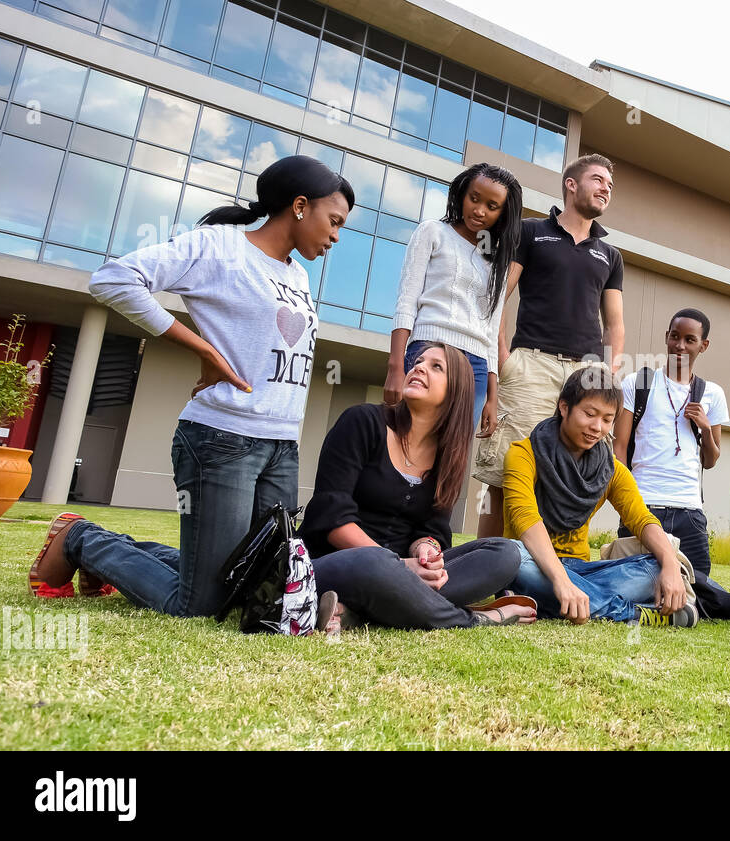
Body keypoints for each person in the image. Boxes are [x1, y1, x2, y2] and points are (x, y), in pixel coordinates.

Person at [28, 156, 354, 622]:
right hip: (222, 440)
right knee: (200, 604)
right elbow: (114, 280)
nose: (335, 237)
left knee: (249, 581)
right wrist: (202, 348)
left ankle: (106, 548)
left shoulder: (297, 275)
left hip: (282, 444)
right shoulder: (219, 247)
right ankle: (81, 539)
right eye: (334, 222)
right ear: (300, 206)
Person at [301, 343, 535, 631]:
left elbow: (432, 530)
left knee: (505, 553)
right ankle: (474, 619)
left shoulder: (447, 458)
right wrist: (397, 566)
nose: (419, 367)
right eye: (419, 361)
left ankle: (358, 610)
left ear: (455, 392)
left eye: (436, 367)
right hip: (339, 562)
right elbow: (331, 519)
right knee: (374, 565)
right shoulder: (361, 422)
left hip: (405, 571)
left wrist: (426, 552)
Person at [473, 154, 625, 538]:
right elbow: (498, 296)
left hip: (586, 373)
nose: (606, 187)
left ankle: (556, 570)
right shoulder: (529, 232)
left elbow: (615, 323)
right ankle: (484, 574)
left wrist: (607, 372)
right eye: (597, 179)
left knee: (576, 476)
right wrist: (503, 357)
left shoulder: (610, 255)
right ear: (571, 184)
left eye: (610, 183)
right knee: (506, 474)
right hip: (530, 365)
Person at [502, 366, 697, 627]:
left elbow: (641, 519)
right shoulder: (523, 454)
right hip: (531, 563)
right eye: (589, 414)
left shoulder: (611, 470)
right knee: (511, 558)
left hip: (583, 572)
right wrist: (561, 581)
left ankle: (557, 601)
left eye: (607, 419)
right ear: (564, 407)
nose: (597, 427)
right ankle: (635, 614)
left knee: (655, 568)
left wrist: (670, 565)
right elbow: (524, 518)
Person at [613, 308, 730, 619]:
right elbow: (619, 447)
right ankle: (665, 610)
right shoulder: (639, 383)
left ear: (703, 346)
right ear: (666, 337)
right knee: (636, 580)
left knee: (697, 585)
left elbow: (711, 459)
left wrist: (704, 425)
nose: (680, 345)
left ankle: (684, 608)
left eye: (690, 339)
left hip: (689, 511)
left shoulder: (712, 394)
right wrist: (625, 500)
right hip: (644, 504)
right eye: (675, 337)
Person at [384, 163, 523, 439]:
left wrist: (492, 398)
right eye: (474, 198)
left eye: (492, 206)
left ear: (503, 213)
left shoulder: (498, 261)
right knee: (408, 442)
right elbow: (406, 302)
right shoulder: (432, 232)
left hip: (476, 369)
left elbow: (491, 330)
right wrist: (395, 366)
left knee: (453, 456)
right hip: (427, 351)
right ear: (462, 194)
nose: (479, 210)